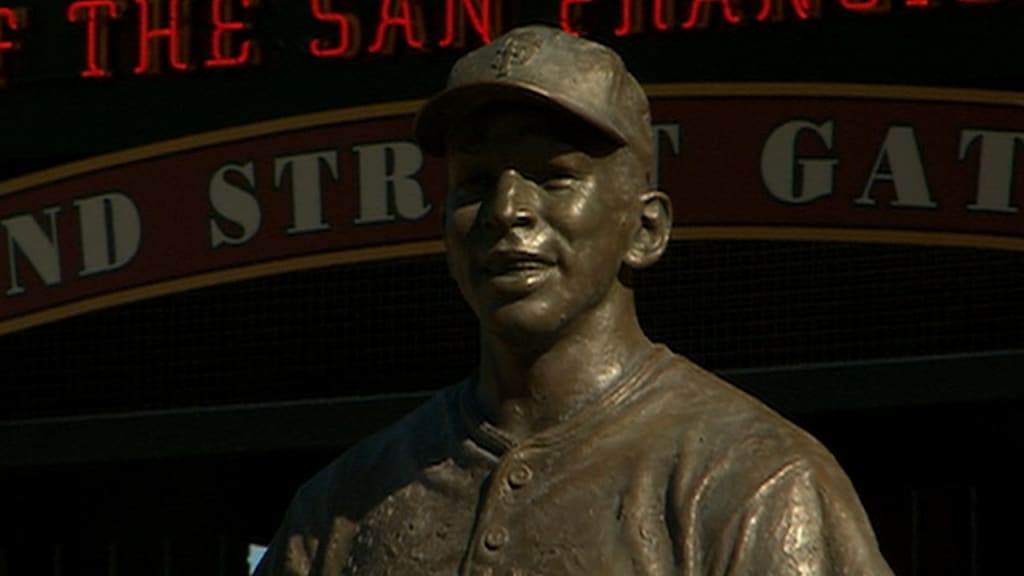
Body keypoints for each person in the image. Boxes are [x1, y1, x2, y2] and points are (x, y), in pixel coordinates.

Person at [256, 25, 894, 576]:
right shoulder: (342, 503)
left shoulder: (753, 481)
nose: (507, 211)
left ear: (645, 230)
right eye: (475, 182)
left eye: (554, 176)